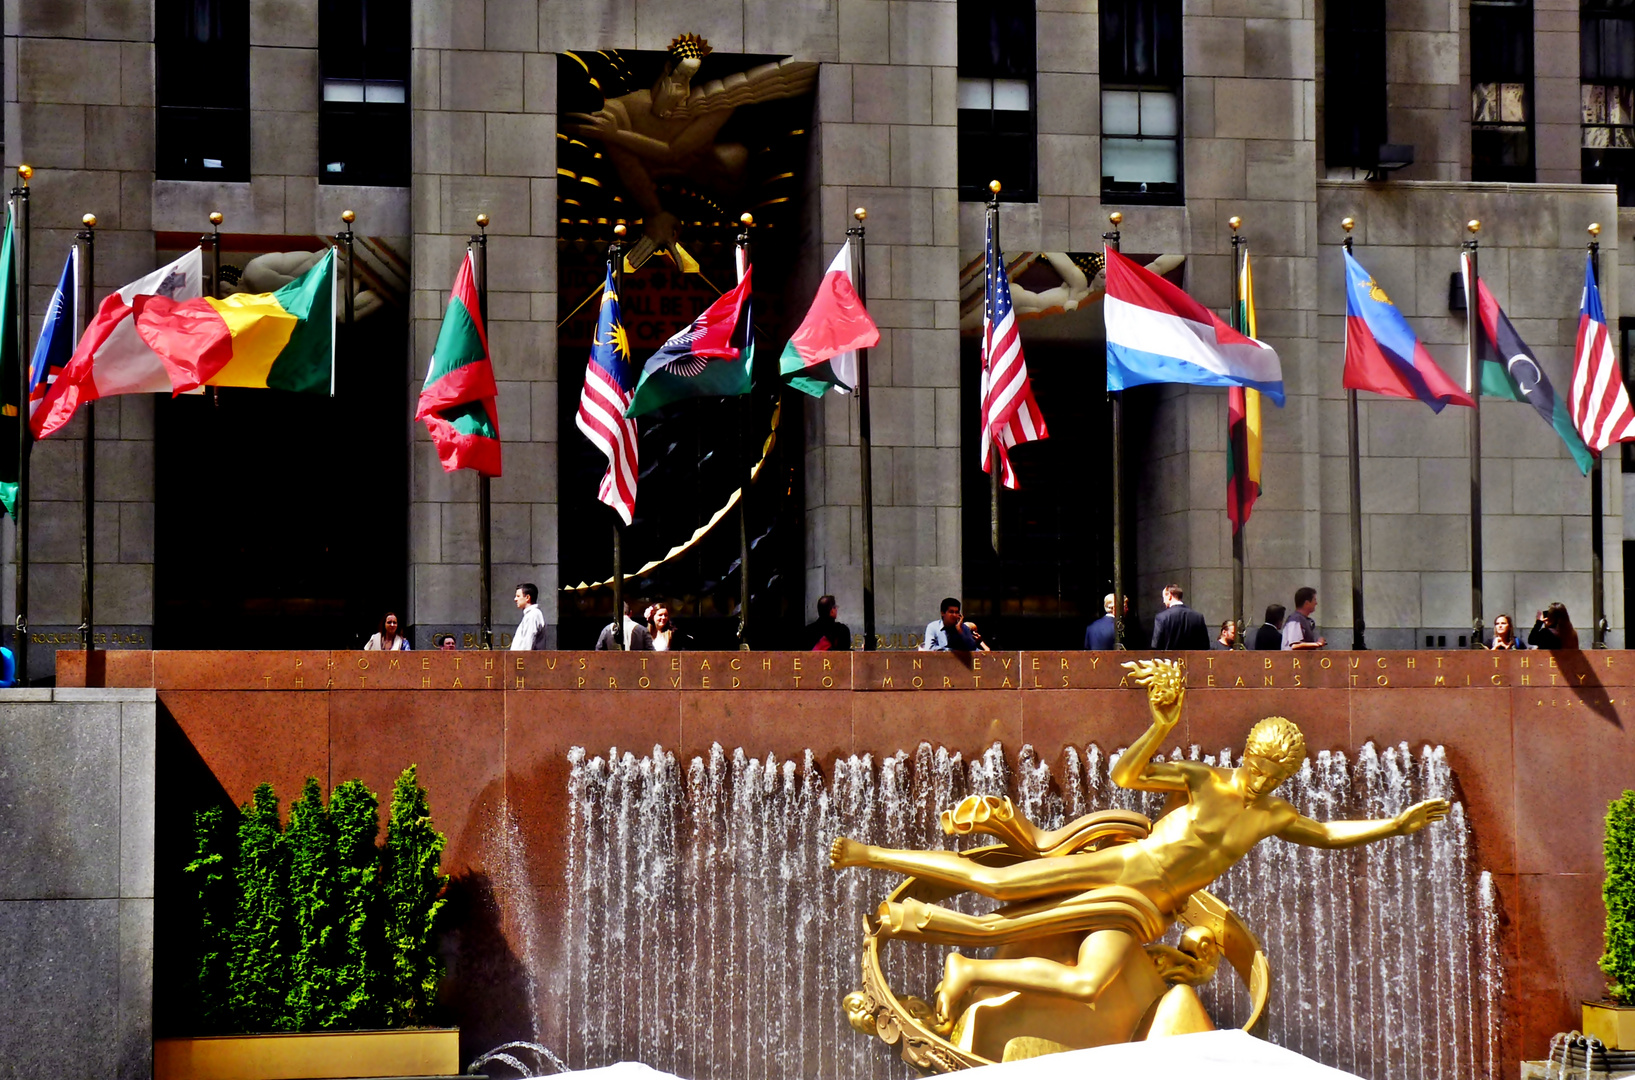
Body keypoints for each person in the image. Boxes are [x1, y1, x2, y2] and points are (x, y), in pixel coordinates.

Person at [829, 659, 1450, 1027]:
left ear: (1286, 777)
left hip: (1145, 910)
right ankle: (871, 855)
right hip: (1126, 863)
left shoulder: (1273, 815)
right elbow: (1127, 777)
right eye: (1258, 762)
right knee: (996, 884)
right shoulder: (1208, 780)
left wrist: (1394, 825)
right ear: (1247, 753)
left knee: (1085, 981)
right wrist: (1160, 726)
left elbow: (1328, 835)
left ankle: (949, 956)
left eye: (1274, 773)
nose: (1261, 777)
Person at [1149, 584, 1209, 650]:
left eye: (1164, 598)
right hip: (1191, 659)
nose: (1163, 601)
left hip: (1169, 659)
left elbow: (1156, 645)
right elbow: (1205, 645)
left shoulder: (1162, 617)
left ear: (1169, 596)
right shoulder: (1198, 617)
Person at [921, 597, 988, 651]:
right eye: (951, 612)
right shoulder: (933, 627)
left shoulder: (963, 628)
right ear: (943, 613)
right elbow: (929, 648)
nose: (954, 615)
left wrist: (960, 631)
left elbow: (972, 649)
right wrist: (952, 651)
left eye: (957, 612)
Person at [511, 583, 547, 651]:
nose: (515, 599)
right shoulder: (531, 614)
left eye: (518, 596)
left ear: (527, 597)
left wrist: (521, 659)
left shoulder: (533, 615)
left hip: (525, 660)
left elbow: (527, 643)